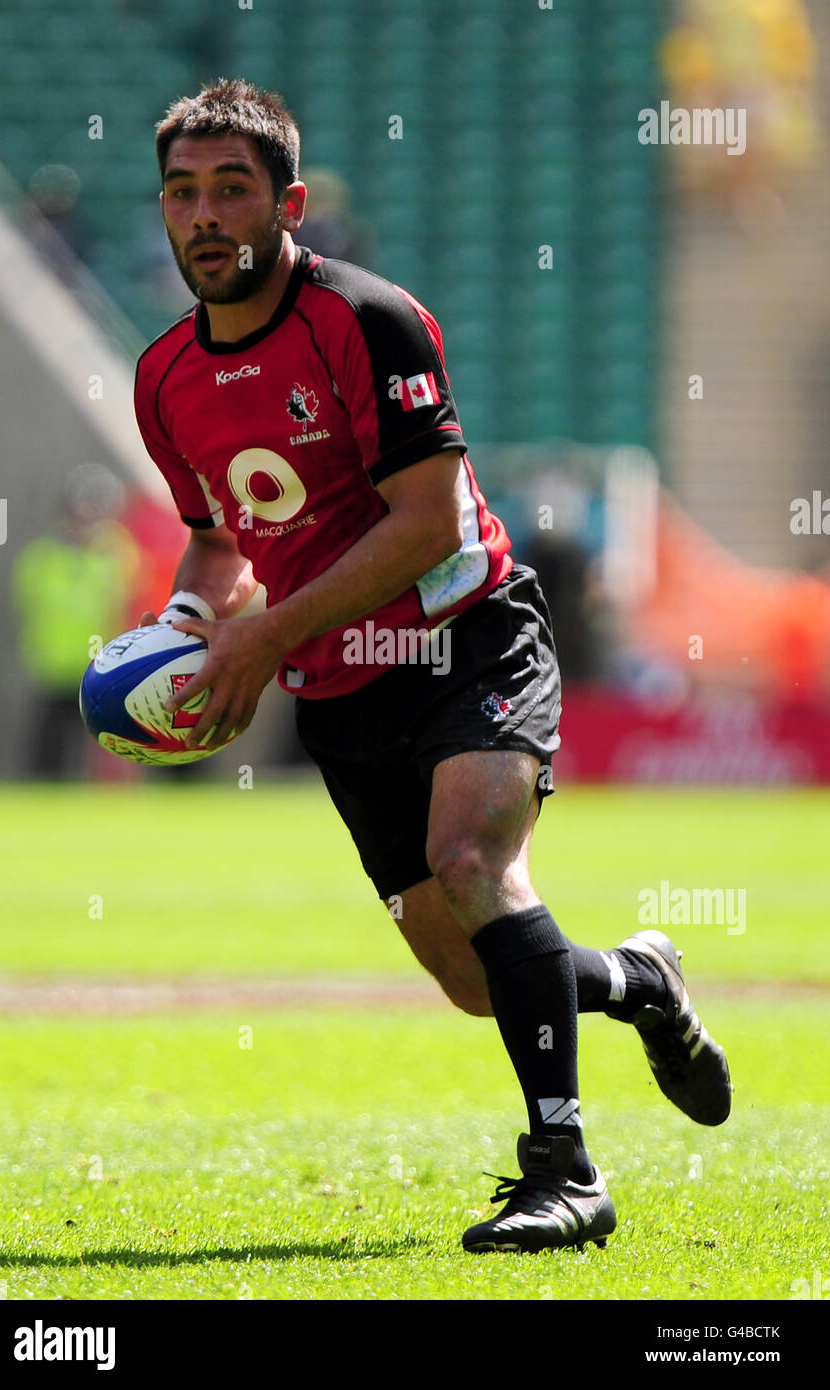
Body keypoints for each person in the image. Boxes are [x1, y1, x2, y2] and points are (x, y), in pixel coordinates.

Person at [133, 78, 731, 1254]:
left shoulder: (367, 319)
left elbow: (424, 523)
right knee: (474, 977)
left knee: (471, 857)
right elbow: (215, 534)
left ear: (287, 203)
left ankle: (561, 1171)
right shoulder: (162, 379)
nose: (204, 214)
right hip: (340, 693)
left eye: (232, 190)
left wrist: (264, 631)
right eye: (182, 192)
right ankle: (641, 982)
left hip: (463, 635)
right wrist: (190, 630)